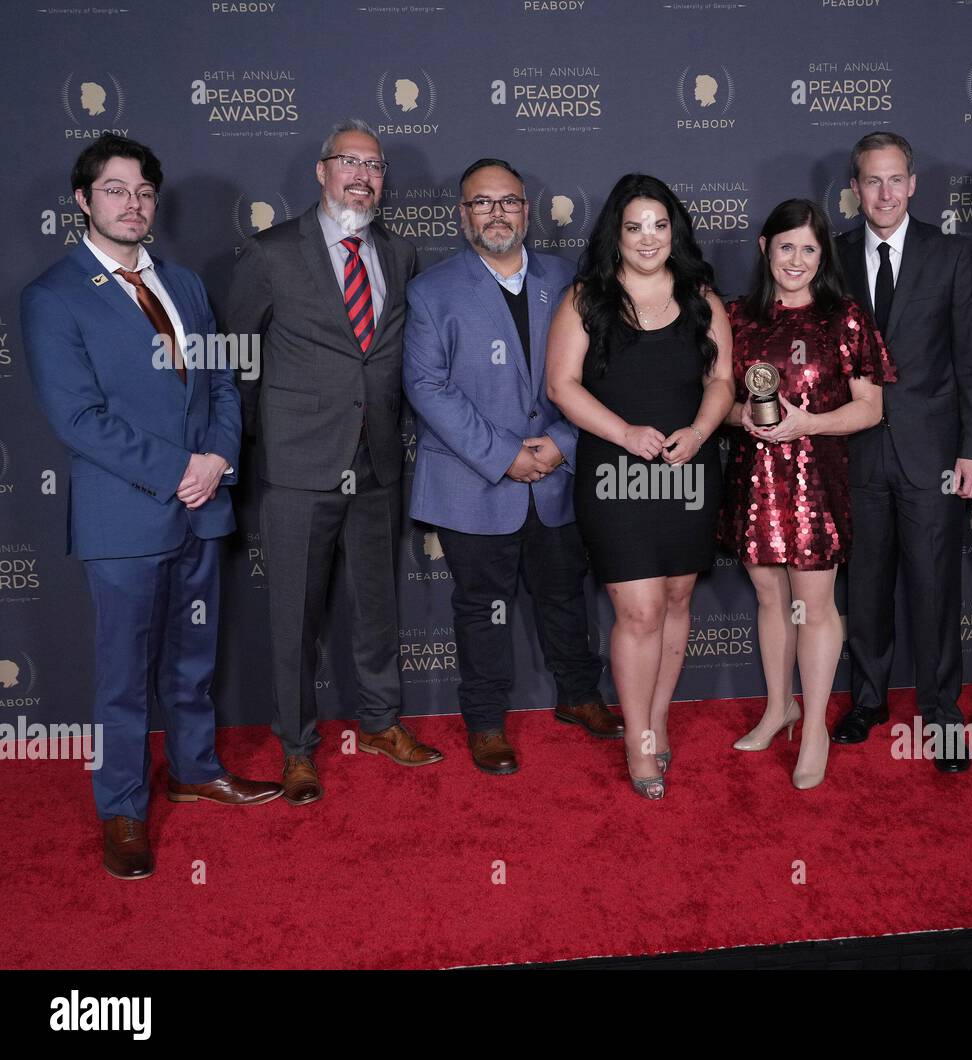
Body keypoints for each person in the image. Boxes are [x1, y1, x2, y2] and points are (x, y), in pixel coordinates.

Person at [22, 134, 282, 881]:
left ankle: (196, 769)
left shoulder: (186, 285)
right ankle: (124, 809)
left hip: (202, 506)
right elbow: (77, 419)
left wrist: (219, 460)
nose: (131, 204)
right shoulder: (52, 295)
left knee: (193, 659)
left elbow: (224, 385)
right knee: (123, 675)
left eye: (142, 193)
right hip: (126, 516)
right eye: (115, 190)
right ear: (83, 200)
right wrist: (180, 470)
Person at [225, 119, 440, 806]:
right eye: (349, 161)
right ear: (321, 172)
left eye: (374, 166)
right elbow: (239, 363)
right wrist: (260, 450)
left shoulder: (401, 253)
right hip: (296, 467)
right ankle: (296, 749)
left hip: (377, 460)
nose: (362, 175)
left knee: (378, 607)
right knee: (295, 617)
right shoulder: (270, 253)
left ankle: (379, 723)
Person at [403, 158, 621, 775]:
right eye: (481, 202)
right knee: (480, 605)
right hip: (472, 480)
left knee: (565, 595)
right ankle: (486, 722)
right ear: (463, 214)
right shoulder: (432, 290)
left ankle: (580, 696)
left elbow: (597, 372)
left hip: (559, 469)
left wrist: (561, 442)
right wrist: (504, 456)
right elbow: (427, 386)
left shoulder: (570, 280)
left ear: (527, 211)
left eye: (507, 202)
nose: (496, 213)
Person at [547, 174, 733, 800]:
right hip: (615, 473)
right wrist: (625, 433)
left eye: (659, 225)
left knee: (677, 602)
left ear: (674, 230)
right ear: (616, 235)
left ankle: (656, 719)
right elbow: (562, 386)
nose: (648, 238)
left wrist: (702, 433)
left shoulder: (702, 298)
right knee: (641, 610)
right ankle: (637, 741)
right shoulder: (585, 299)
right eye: (634, 227)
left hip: (688, 472)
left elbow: (723, 382)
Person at [721, 199, 893, 789]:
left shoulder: (845, 317)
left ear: (824, 257)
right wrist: (745, 415)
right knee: (771, 599)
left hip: (817, 480)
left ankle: (815, 725)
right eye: (786, 246)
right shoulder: (735, 315)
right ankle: (780, 707)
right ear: (764, 247)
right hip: (753, 478)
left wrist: (807, 424)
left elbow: (870, 409)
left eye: (809, 249)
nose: (796, 260)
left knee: (814, 605)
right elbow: (713, 402)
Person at [834, 132, 972, 772]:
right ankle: (868, 699)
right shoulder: (833, 256)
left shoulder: (950, 255)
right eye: (872, 181)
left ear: (914, 183)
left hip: (934, 457)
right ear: (855, 188)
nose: (885, 193)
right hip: (857, 455)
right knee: (865, 587)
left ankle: (942, 715)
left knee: (934, 591)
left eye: (895, 179)